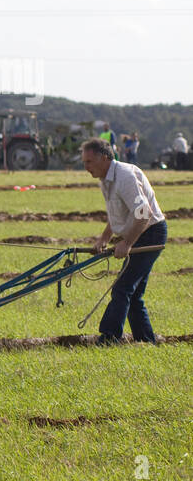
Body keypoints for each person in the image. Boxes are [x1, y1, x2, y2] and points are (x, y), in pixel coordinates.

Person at [81, 138, 167, 345]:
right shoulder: (106, 179)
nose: (86, 168)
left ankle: (109, 337)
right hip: (141, 231)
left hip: (151, 232)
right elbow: (117, 214)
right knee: (134, 293)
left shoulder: (125, 177)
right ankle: (146, 341)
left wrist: (127, 243)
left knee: (122, 288)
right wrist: (104, 238)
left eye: (89, 162)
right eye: (84, 163)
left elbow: (143, 213)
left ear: (104, 158)